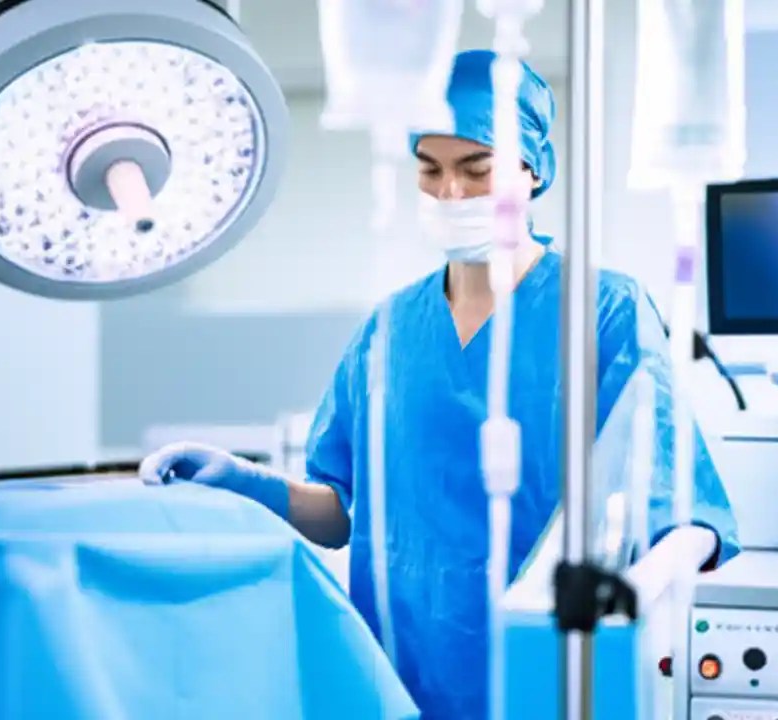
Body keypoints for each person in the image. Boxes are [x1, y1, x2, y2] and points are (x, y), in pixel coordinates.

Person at [140, 49, 740, 719]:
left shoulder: (603, 311)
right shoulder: (391, 329)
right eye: (430, 170)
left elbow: (690, 519)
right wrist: (243, 482)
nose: (450, 193)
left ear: (532, 170)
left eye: (475, 170)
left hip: (548, 674)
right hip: (401, 679)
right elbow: (342, 512)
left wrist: (624, 594)